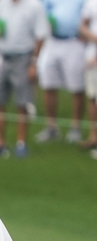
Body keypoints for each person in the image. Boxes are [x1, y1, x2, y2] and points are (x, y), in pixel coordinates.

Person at [0, 0, 48, 157]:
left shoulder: (34, 6)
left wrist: (34, 63)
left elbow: (40, 35)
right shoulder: (1, 4)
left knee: (22, 102)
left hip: (24, 57)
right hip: (2, 56)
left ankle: (21, 143)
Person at [35, 0, 88, 143]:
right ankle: (51, 127)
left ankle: (75, 127)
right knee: (48, 84)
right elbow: (42, 13)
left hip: (73, 41)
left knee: (77, 87)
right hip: (52, 41)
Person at [81, 0, 97, 153]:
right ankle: (94, 137)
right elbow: (82, 26)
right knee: (92, 97)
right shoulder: (91, 2)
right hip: (91, 56)